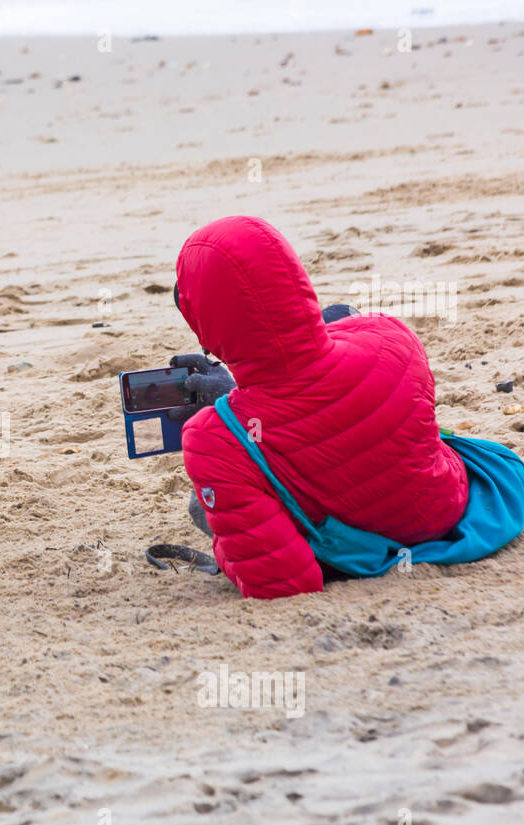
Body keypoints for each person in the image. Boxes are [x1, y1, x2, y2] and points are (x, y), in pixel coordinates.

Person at [164, 216, 472, 599]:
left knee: (201, 505)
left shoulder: (212, 437)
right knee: (339, 317)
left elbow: (285, 583)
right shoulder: (395, 338)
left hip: (351, 550)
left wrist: (230, 412)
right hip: (445, 512)